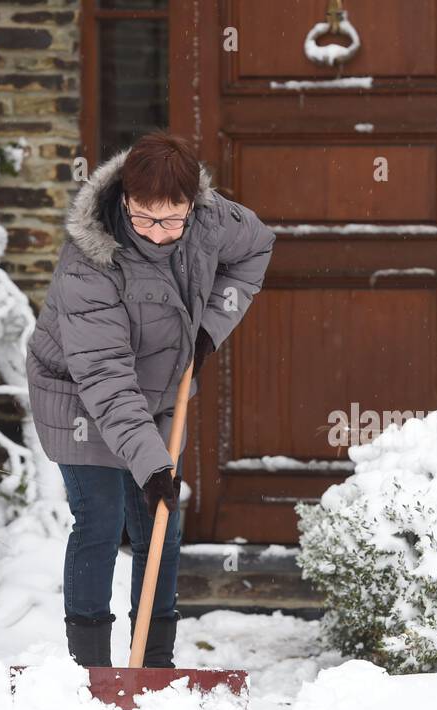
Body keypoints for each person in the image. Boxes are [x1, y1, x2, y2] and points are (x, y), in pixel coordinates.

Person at [26, 130, 276, 667]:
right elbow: (107, 382)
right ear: (125, 200)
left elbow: (257, 246)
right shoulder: (90, 263)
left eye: (170, 219)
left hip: (163, 390)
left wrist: (209, 329)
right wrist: (153, 467)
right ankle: (90, 667)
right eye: (144, 217)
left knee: (160, 521)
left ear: (193, 203)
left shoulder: (211, 222)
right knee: (101, 517)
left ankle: (153, 663)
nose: (157, 233)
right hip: (79, 395)